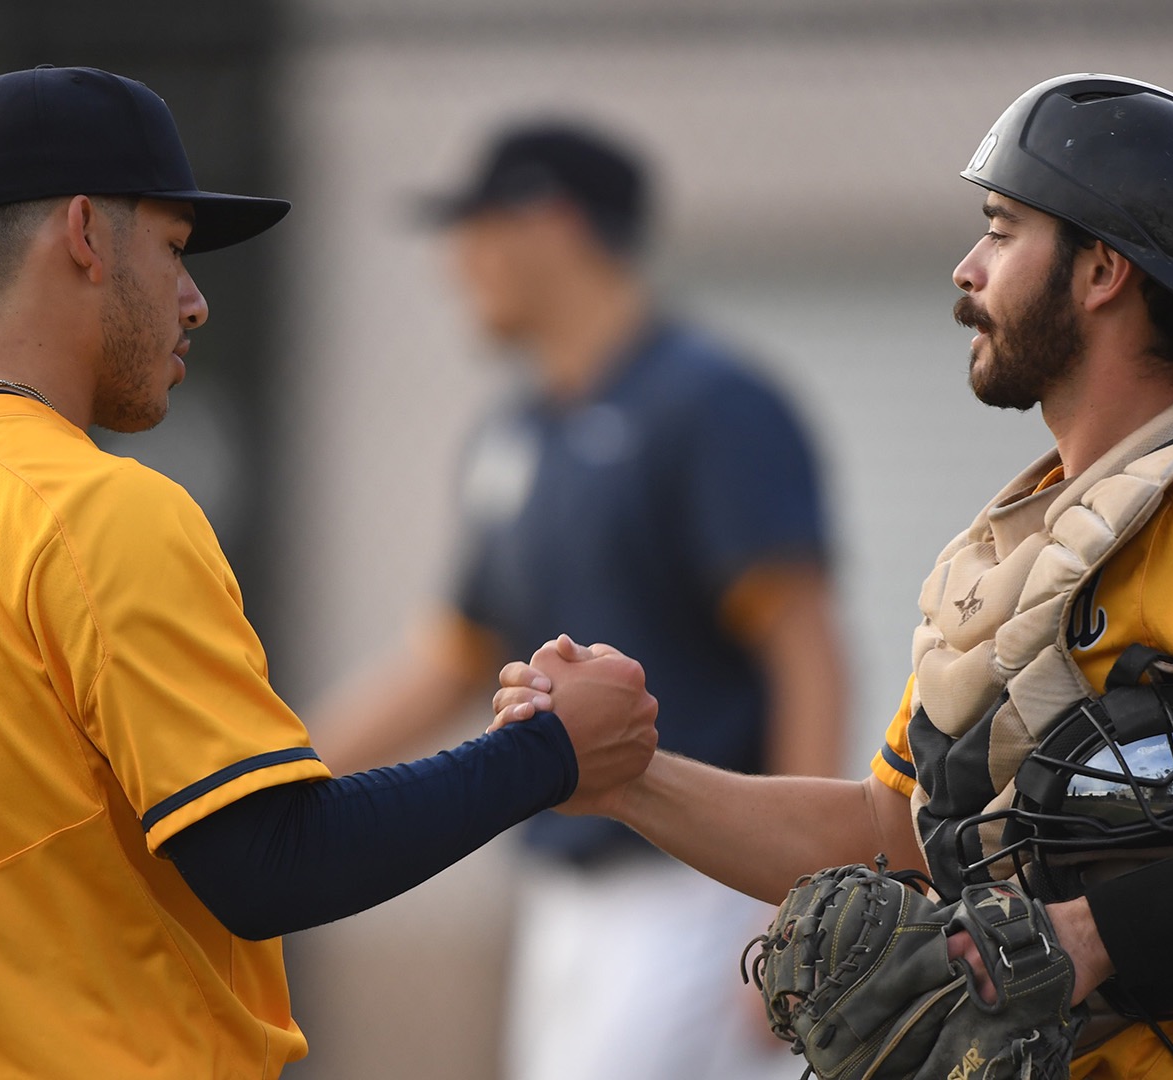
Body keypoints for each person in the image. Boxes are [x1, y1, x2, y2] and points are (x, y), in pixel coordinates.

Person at [491, 74, 1173, 1079]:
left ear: (1102, 271)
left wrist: (1091, 937)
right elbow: (891, 830)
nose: (967, 269)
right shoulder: (1026, 535)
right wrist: (627, 779)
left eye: (1002, 232)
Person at [0, 67, 657, 1079]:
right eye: (175, 248)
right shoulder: (90, 510)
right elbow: (272, 864)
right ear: (85, 234)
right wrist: (548, 753)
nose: (195, 300)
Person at [309, 121, 849, 1080]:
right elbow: (449, 661)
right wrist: (265, 777)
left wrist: (799, 905)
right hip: (564, 900)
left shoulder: (710, 403)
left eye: (475, 227)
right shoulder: (515, 432)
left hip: (700, 889)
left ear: (550, 222)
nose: (456, 261)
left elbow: (806, 652)